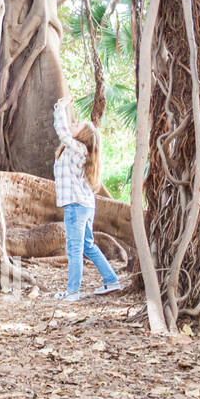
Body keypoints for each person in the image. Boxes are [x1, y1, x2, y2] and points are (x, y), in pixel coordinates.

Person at [51, 96, 121, 301]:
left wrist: (60, 108)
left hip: (76, 206)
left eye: (76, 125)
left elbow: (62, 132)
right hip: (85, 205)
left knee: (74, 248)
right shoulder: (77, 150)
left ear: (82, 136)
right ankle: (111, 280)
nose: (72, 125)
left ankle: (72, 291)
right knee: (88, 246)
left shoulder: (78, 149)